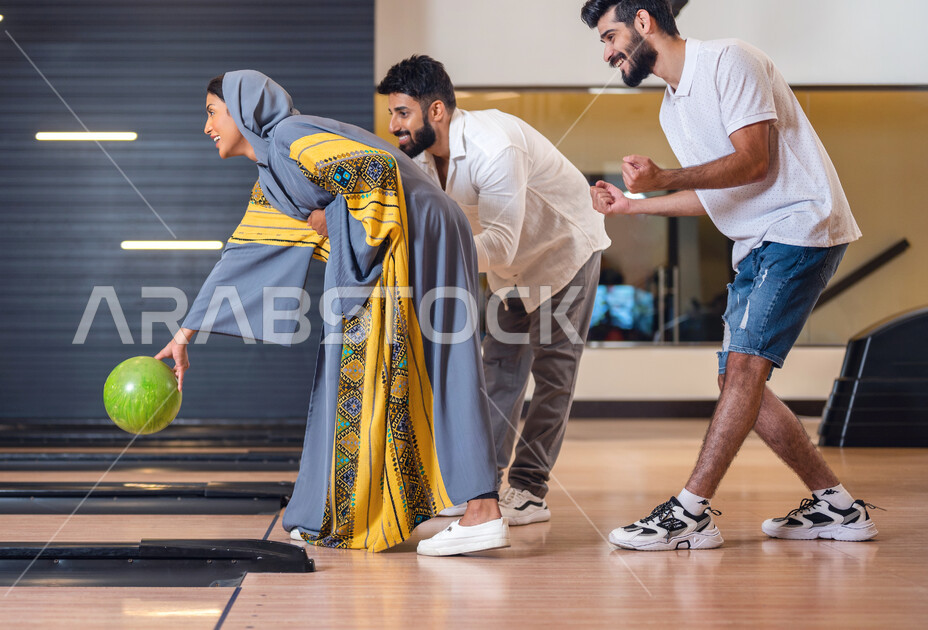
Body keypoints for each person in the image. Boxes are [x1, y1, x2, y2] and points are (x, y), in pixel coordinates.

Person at [154, 70, 509, 555]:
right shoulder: (271, 176)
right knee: (379, 366)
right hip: (406, 234)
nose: (207, 126)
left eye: (212, 112)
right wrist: (185, 333)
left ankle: (482, 512)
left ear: (242, 109)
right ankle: (348, 509)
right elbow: (241, 255)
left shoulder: (288, 137)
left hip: (420, 229)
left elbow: (376, 173)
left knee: (435, 363)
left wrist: (333, 215)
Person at [580, 0, 876, 550]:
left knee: (742, 372)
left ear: (644, 22)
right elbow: (718, 193)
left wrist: (663, 176)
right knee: (738, 382)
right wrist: (632, 206)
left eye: (610, 36)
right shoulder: (672, 109)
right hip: (756, 242)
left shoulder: (728, 62)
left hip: (798, 226)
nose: (607, 53)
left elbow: (753, 161)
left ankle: (690, 512)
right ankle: (837, 506)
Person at [377, 55, 610, 526]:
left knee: (554, 374)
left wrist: (429, 262)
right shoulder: (418, 160)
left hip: (564, 253)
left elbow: (500, 244)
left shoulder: (495, 145)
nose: (393, 124)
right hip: (511, 271)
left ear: (436, 110)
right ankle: (480, 486)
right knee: (498, 370)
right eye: (391, 113)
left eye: (402, 112)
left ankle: (529, 489)